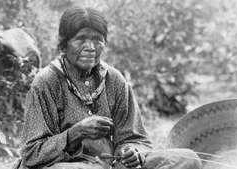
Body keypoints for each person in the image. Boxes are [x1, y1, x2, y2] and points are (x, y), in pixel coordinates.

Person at [17, 6, 202, 169]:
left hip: (112, 165)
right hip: (68, 165)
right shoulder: (47, 82)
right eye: (80, 39)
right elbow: (32, 154)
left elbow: (136, 138)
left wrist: (132, 151)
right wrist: (76, 132)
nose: (90, 47)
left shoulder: (114, 79)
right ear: (63, 44)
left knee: (187, 158)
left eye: (97, 39)